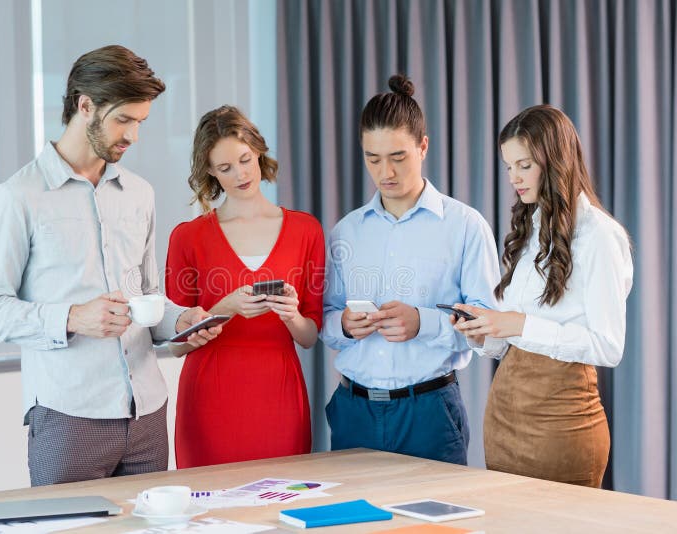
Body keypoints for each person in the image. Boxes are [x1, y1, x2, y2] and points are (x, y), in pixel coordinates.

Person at [0, 45, 220, 486]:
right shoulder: (18, 197)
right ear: (85, 106)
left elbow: (147, 296)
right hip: (70, 416)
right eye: (124, 119)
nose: (134, 135)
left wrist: (182, 319)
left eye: (140, 122)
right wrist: (72, 317)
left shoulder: (139, 193)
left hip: (146, 414)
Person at [320, 74, 501, 465]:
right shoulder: (344, 232)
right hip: (354, 413)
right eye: (373, 158)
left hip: (430, 414)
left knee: (436, 527)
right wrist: (347, 326)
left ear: (423, 147)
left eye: (398, 157)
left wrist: (424, 322)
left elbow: (491, 331)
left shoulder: (466, 227)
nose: (385, 171)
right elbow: (325, 319)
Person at [453, 104, 633, 487]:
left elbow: (608, 346)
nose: (514, 178)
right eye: (508, 166)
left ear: (555, 160)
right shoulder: (532, 227)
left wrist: (520, 323)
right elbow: (517, 339)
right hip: (504, 423)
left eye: (524, 164)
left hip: (562, 427)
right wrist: (484, 332)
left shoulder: (600, 235)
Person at [165, 105, 325, 468]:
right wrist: (227, 306)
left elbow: (309, 335)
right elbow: (175, 346)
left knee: (282, 510)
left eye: (245, 160)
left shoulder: (306, 230)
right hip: (209, 402)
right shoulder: (188, 237)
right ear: (209, 171)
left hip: (279, 397)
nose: (239, 174)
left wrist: (291, 314)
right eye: (225, 168)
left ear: (258, 152)